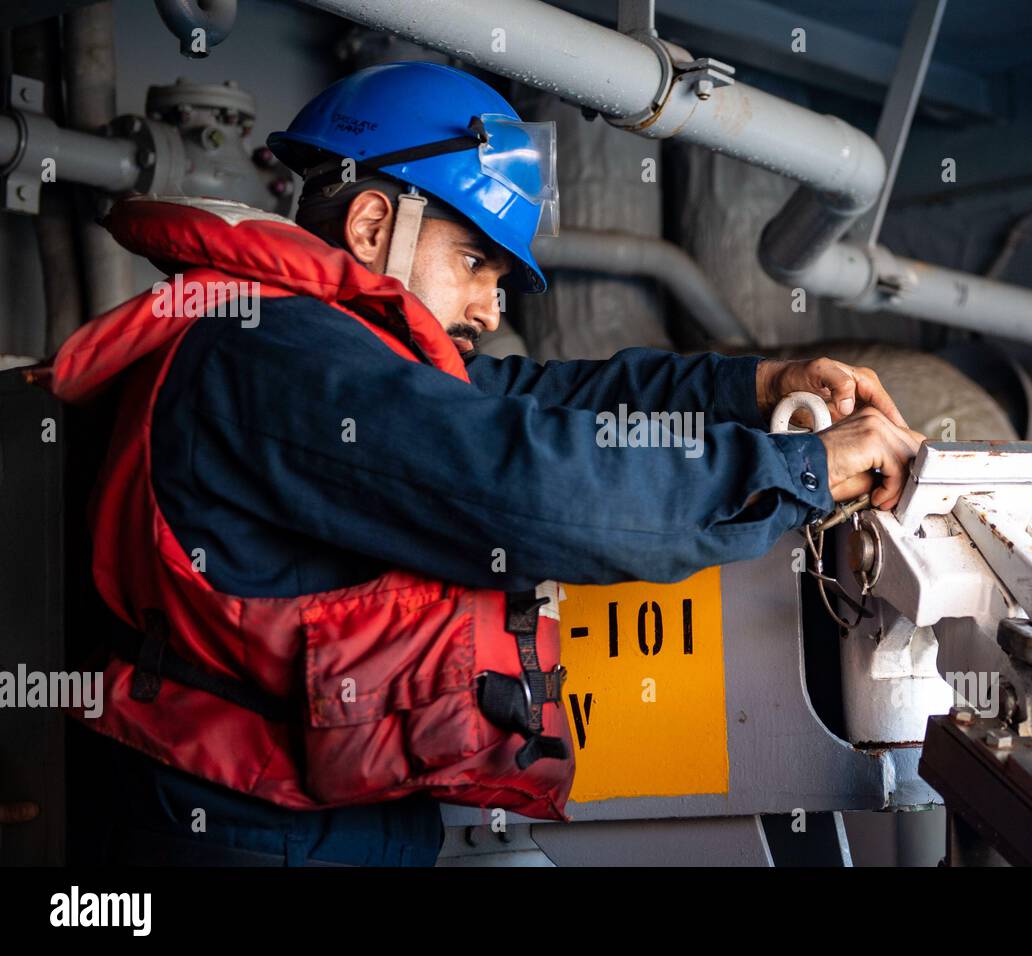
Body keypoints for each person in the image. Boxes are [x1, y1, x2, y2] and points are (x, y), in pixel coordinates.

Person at [44, 61, 923, 866]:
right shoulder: (276, 354)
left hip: (317, 807)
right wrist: (804, 468)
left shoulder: (337, 351)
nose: (486, 307)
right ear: (371, 221)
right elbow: (537, 485)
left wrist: (754, 388)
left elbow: (556, 404)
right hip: (239, 826)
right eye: (475, 263)